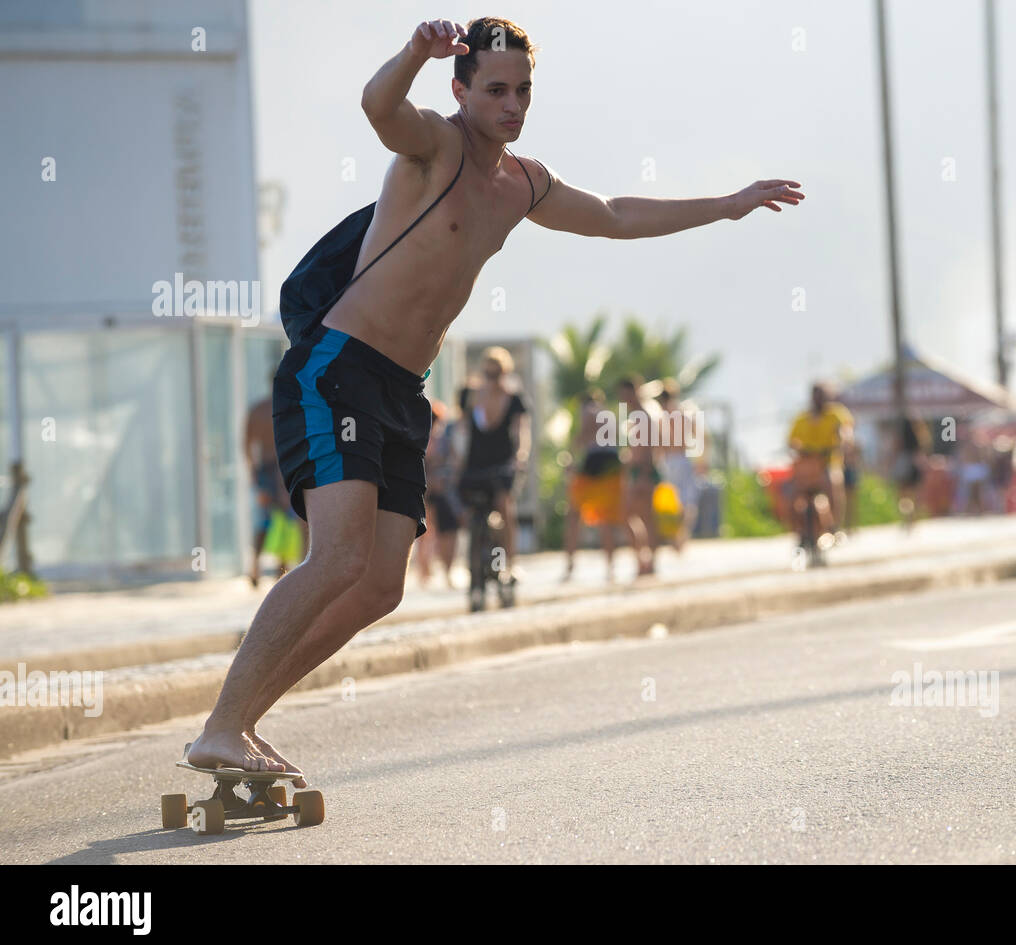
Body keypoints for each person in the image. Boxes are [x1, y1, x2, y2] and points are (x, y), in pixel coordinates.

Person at [185, 16, 805, 775]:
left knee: (380, 586)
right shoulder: (431, 148)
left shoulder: (522, 184)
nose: (512, 106)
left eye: (523, 91)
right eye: (495, 90)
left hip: (403, 393)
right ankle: (221, 722)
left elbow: (613, 216)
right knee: (337, 555)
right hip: (338, 367)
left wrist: (726, 203)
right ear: (461, 90)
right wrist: (415, 52)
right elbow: (380, 109)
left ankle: (238, 721)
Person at [457, 347, 529, 588]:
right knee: (469, 507)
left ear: (505, 373)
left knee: (504, 504)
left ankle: (510, 562)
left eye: (496, 374)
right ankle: (474, 557)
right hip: (475, 464)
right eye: (488, 373)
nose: (492, 379)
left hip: (502, 464)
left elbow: (521, 432)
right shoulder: (470, 396)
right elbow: (461, 429)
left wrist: (520, 456)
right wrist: (455, 458)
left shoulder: (514, 399)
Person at [243, 382, 302, 587]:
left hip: (265, 470)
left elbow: (247, 446)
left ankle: (256, 567)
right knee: (284, 518)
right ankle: (279, 570)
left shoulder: (257, 409)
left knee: (267, 520)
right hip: (281, 468)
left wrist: (253, 476)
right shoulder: (286, 408)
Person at [563, 389, 622, 581]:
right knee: (606, 519)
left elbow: (584, 435)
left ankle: (570, 564)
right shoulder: (608, 414)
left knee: (574, 515)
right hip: (612, 464)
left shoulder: (588, 410)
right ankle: (611, 566)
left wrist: (570, 456)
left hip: (594, 463)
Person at [787, 383, 849, 552]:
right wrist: (799, 449)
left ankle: (835, 526)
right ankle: (799, 532)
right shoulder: (802, 418)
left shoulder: (836, 415)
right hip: (808, 465)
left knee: (833, 486)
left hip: (829, 462)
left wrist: (840, 443)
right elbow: (791, 441)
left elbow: (845, 433)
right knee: (793, 494)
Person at [414, 398, 461, 587]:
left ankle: (427, 572)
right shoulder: (440, 441)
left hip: (431, 490)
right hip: (433, 490)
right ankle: (433, 572)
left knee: (428, 533)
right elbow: (454, 462)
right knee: (437, 533)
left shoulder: (423, 438)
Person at [617, 375, 660, 576]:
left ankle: (648, 561)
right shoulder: (636, 415)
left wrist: (644, 472)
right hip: (638, 471)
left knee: (642, 517)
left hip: (643, 472)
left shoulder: (642, 415)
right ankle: (644, 561)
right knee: (636, 517)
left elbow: (650, 447)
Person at [656, 378, 705, 551]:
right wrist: (701, 460)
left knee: (674, 503)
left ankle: (675, 536)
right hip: (681, 460)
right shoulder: (682, 414)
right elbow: (700, 437)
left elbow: (658, 445)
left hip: (668, 462)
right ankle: (680, 536)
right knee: (687, 503)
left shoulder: (661, 417)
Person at [892, 416, 931, 529]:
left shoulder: (903, 436)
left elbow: (896, 447)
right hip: (915, 463)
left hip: (904, 463)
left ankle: (907, 518)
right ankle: (913, 518)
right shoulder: (921, 435)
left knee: (903, 494)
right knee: (914, 494)